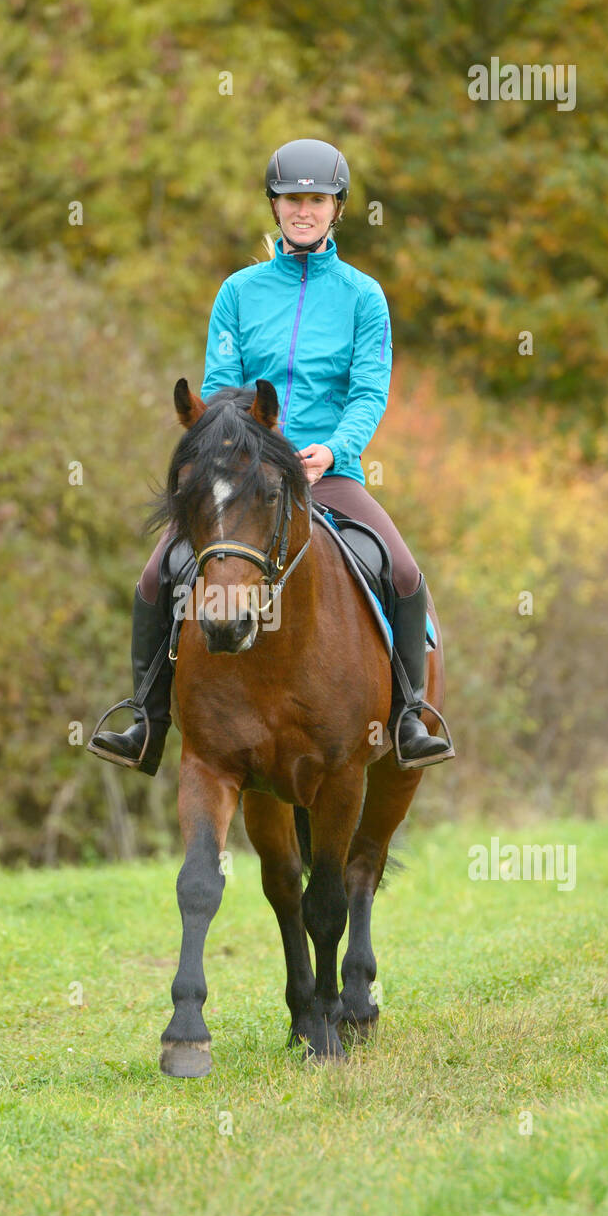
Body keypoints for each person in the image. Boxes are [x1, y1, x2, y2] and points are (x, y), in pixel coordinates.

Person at [88, 138, 454, 774]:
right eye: (292, 200)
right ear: (275, 206)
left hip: (327, 474)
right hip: (247, 477)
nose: (303, 211)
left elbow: (368, 391)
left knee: (401, 573)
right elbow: (220, 386)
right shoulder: (238, 292)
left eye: (316, 200)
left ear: (336, 208)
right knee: (155, 577)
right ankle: (146, 717)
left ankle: (410, 716)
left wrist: (333, 448)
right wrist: (240, 454)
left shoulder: (364, 297)